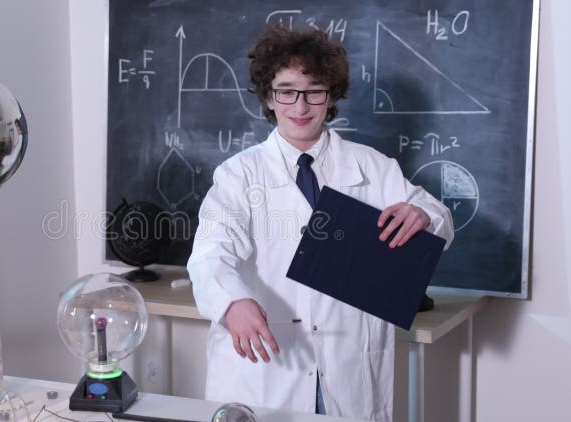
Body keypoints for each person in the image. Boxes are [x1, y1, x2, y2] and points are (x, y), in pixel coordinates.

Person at [187, 26, 454, 422]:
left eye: (314, 91)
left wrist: (424, 214)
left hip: (348, 366)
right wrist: (232, 302)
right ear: (269, 96)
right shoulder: (238, 175)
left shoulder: (371, 166)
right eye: (286, 91)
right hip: (270, 368)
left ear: (331, 97)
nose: (300, 106)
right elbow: (211, 254)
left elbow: (439, 218)